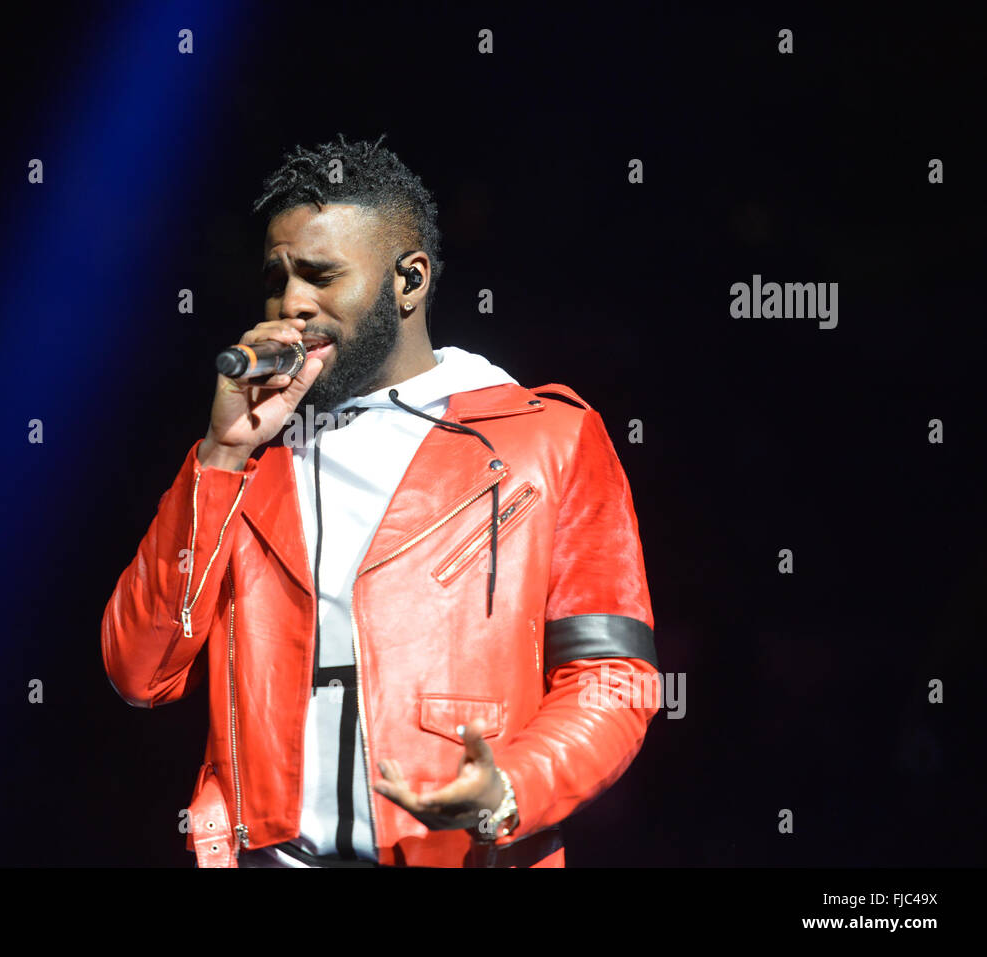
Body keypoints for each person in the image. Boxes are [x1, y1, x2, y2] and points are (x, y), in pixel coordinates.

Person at [101, 134, 660, 867]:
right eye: (277, 277)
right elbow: (139, 670)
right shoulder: (250, 461)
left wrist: (509, 788)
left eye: (321, 275)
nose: (291, 302)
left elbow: (611, 679)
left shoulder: (545, 440)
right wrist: (223, 454)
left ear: (409, 280)